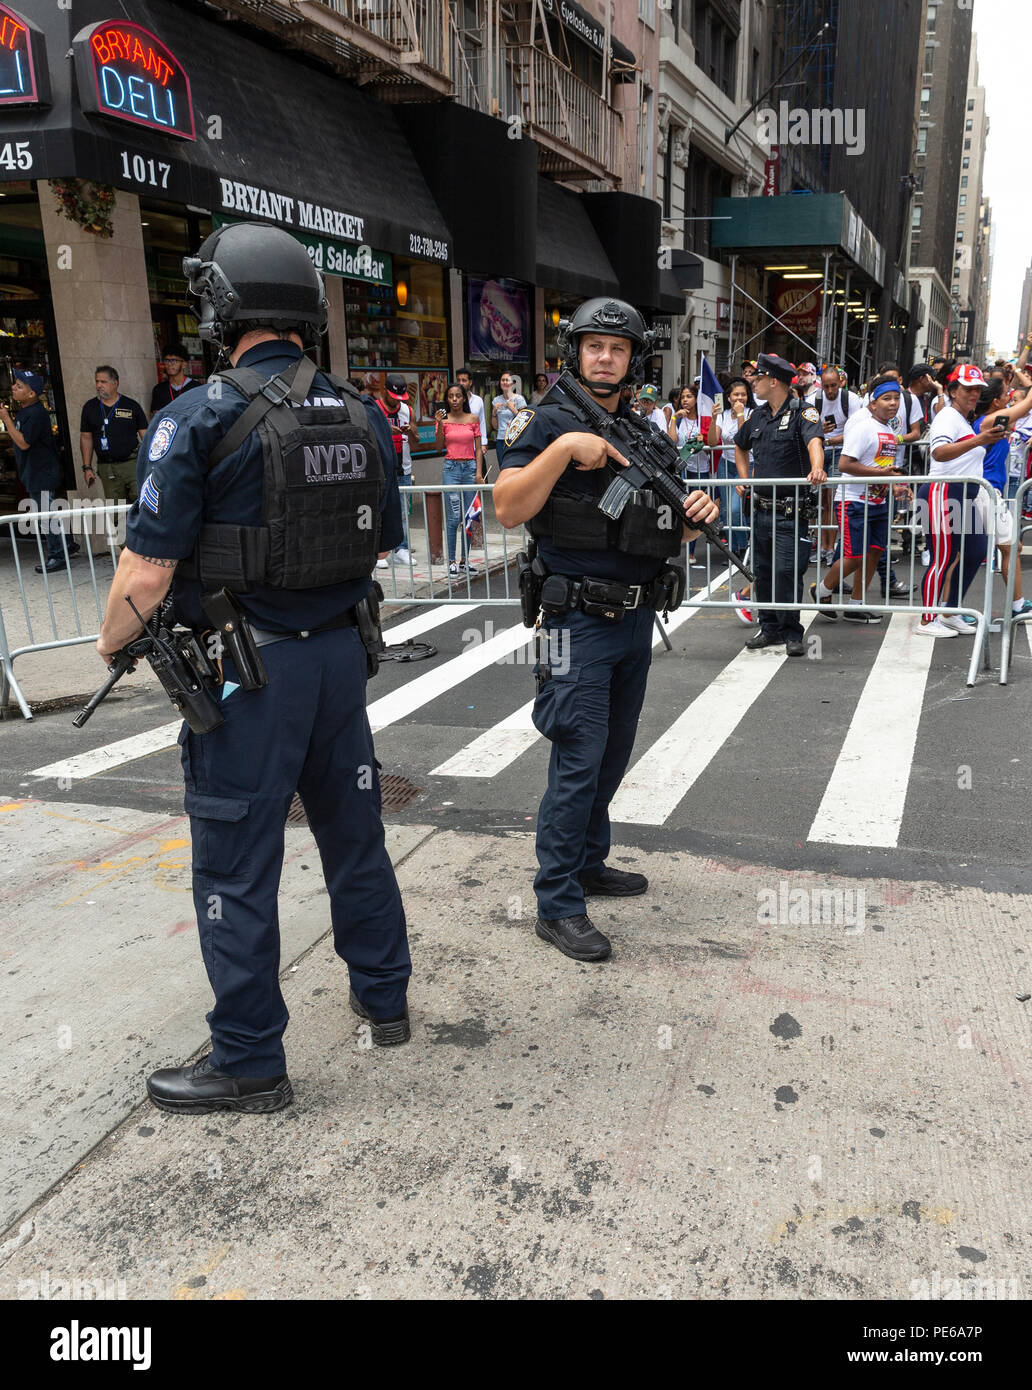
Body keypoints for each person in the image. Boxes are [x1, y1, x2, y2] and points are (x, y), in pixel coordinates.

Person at [95, 221, 410, 1113]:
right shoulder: (364, 413)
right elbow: (375, 545)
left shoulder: (195, 416)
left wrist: (107, 643)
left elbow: (144, 576)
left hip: (247, 680)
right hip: (340, 663)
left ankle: (249, 1062)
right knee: (355, 836)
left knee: (236, 866)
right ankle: (383, 1001)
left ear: (222, 309)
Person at [493, 296, 718, 964]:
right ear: (575, 351)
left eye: (617, 349)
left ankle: (588, 862)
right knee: (577, 761)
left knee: (611, 758)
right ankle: (557, 901)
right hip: (574, 622)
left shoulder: (647, 435)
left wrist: (694, 514)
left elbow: (662, 524)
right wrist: (564, 448)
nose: (605, 357)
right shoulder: (548, 422)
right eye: (594, 346)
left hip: (634, 618)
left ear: (633, 360)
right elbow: (507, 508)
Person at [734, 353, 826, 656]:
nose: (753, 383)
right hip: (761, 510)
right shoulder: (757, 416)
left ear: (774, 381)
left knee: (787, 571)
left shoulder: (804, 412)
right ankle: (769, 626)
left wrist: (817, 468)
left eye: (758, 378)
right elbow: (739, 446)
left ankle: (791, 630)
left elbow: (815, 442)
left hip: (790, 510)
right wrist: (744, 478)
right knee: (763, 571)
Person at [810, 376, 911, 625]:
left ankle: (857, 604)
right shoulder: (863, 427)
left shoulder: (888, 430)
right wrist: (881, 475)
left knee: (874, 553)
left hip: (878, 502)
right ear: (873, 404)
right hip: (853, 500)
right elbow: (845, 463)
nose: (893, 403)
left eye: (896, 398)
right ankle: (823, 590)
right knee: (854, 555)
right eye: (887, 399)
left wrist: (897, 485)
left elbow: (885, 466)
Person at [918, 364, 1006, 637]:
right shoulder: (947, 417)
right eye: (968, 388)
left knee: (976, 551)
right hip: (941, 492)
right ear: (953, 390)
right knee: (941, 558)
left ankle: (950, 611)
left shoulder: (961, 418)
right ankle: (927, 619)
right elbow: (939, 453)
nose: (973, 393)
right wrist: (979, 439)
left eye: (977, 389)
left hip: (962, 494)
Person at [0, 369, 79, 574]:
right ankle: (67, 544)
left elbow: (24, 443)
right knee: (48, 511)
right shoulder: (27, 412)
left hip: (42, 472)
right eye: (15, 384)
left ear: (31, 393)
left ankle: (57, 555)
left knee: (45, 514)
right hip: (33, 471)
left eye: (19, 386)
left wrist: (6, 420)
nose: (13, 388)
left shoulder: (36, 413)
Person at [973, 371, 1032, 621]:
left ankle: (1017, 602)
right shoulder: (987, 422)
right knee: (1008, 547)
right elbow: (1028, 401)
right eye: (1004, 395)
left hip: (988, 491)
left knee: (1010, 547)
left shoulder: (990, 421)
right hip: (984, 492)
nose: (1009, 398)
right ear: (995, 401)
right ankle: (1017, 604)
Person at [706, 376, 755, 624]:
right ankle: (737, 550)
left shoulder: (753, 413)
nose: (739, 399)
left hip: (748, 466)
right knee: (729, 512)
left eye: (743, 395)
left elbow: (746, 438)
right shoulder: (723, 415)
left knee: (741, 508)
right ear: (728, 397)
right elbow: (712, 442)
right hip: (727, 465)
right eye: (735, 395)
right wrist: (715, 417)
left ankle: (745, 546)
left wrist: (739, 414)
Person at [814, 365, 862, 565]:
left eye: (834, 386)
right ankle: (821, 546)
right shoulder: (814, 400)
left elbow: (857, 430)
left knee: (832, 500)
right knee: (821, 501)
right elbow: (807, 428)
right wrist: (819, 429)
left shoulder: (851, 399)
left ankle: (829, 548)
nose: (830, 391)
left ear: (841, 383)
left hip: (840, 452)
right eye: (826, 387)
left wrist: (830, 440)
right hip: (819, 450)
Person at [435, 382, 484, 575]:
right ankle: (452, 561)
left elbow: (478, 448)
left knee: (470, 517)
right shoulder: (443, 420)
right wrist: (439, 425)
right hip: (451, 469)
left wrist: (478, 473)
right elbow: (438, 447)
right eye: (451, 396)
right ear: (447, 400)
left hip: (470, 468)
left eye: (458, 396)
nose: (454, 399)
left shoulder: (473, 418)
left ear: (464, 398)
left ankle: (464, 560)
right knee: (454, 516)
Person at [80, 366, 147, 502]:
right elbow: (86, 438)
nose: (99, 385)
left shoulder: (131, 405)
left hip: (132, 463)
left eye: (103, 382)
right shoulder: (90, 407)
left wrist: (151, 464)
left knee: (140, 504)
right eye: (97, 381)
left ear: (115, 383)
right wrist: (87, 467)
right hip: (107, 467)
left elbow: (146, 436)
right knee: (117, 512)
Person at [374, 373, 415, 568]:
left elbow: (416, 440)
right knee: (379, 510)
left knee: (403, 512)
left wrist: (411, 431)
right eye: (393, 397)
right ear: (385, 391)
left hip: (403, 467)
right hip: (381, 469)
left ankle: (402, 549)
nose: (397, 402)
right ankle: (379, 553)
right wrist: (385, 431)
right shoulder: (374, 409)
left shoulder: (407, 410)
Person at [149, 343, 200, 416]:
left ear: (184, 364)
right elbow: (156, 417)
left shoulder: (196, 387)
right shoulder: (159, 389)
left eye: (174, 360)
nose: (170, 364)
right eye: (167, 360)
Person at [491, 372, 527, 466]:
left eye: (507, 380)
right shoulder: (496, 400)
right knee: (502, 467)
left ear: (512, 384)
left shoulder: (519, 399)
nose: (505, 382)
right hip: (501, 439)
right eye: (503, 380)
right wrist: (494, 413)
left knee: (515, 468)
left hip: (515, 439)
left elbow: (524, 421)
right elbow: (495, 427)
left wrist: (513, 409)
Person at [456, 367, 488, 458]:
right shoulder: (453, 401)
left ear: (470, 382)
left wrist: (484, 443)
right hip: (458, 449)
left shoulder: (478, 400)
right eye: (458, 380)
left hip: (476, 447)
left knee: (480, 471)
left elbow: (482, 422)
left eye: (464, 380)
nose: (460, 383)